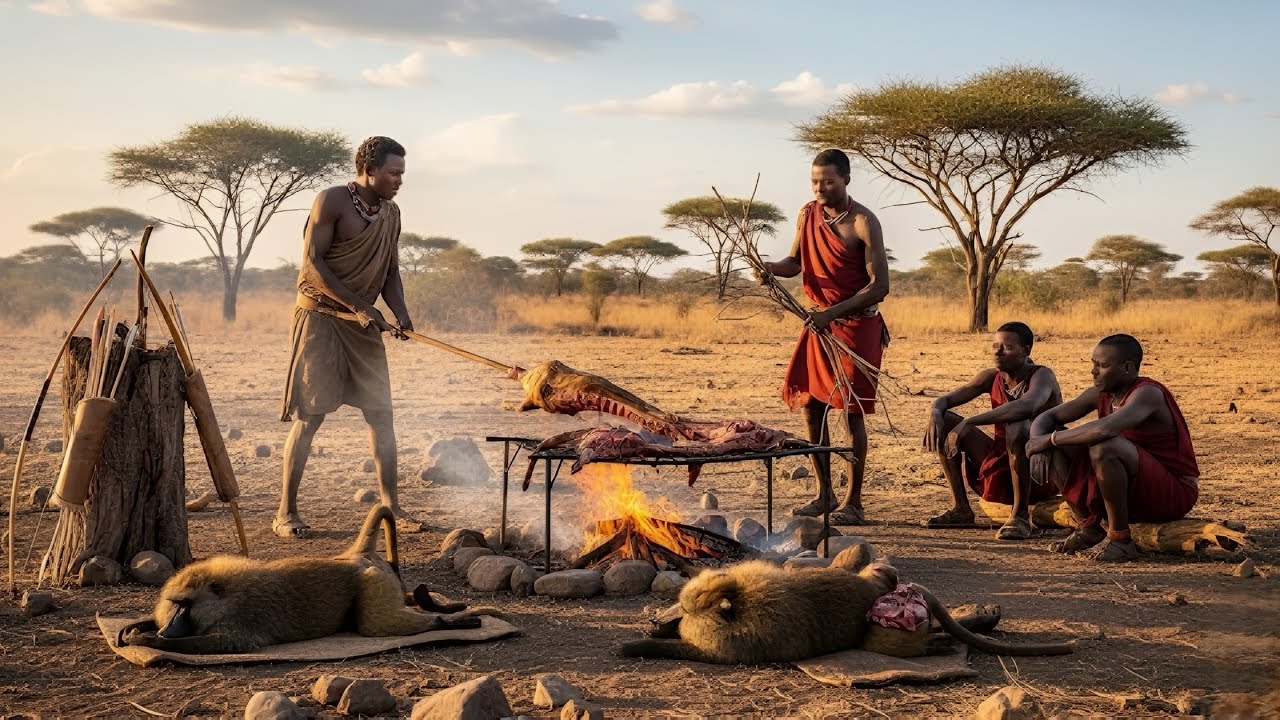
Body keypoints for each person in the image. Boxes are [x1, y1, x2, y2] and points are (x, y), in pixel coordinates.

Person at [276, 135, 421, 538]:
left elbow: (390, 272)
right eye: (393, 173)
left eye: (402, 174)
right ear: (369, 170)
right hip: (321, 318)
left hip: (363, 323)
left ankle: (391, 506)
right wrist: (358, 305)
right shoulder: (331, 201)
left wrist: (401, 313)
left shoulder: (390, 214)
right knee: (311, 416)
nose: (399, 181)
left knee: (381, 415)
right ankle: (285, 512)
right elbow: (313, 265)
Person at [761, 149, 890, 525]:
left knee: (851, 412)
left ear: (846, 179)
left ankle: (854, 502)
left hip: (856, 327)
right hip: (819, 325)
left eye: (828, 182)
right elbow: (794, 263)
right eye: (815, 182)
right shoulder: (807, 214)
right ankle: (824, 494)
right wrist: (768, 268)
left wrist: (832, 313)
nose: (819, 188)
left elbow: (880, 286)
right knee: (812, 406)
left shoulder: (863, 221)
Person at [1026, 334, 1199, 561]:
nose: (1094, 371)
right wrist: (1039, 442)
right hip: (1131, 489)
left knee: (1104, 447)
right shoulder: (1100, 394)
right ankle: (1088, 528)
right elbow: (1048, 417)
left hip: (1171, 493)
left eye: (1103, 366)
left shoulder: (1148, 393)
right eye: (1093, 364)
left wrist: (1049, 439)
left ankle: (1120, 539)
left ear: (1127, 368)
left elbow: (1105, 429)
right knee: (1059, 444)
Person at [922, 322, 1062, 540]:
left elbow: (1027, 406)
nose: (998, 352)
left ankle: (1020, 516)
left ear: (1026, 351)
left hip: (1038, 467)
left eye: (1008, 347)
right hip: (1002, 462)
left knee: (1018, 425)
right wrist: (935, 409)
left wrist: (970, 422)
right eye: (995, 346)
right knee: (946, 420)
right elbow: (946, 400)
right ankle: (961, 508)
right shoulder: (991, 377)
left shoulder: (1042, 376)